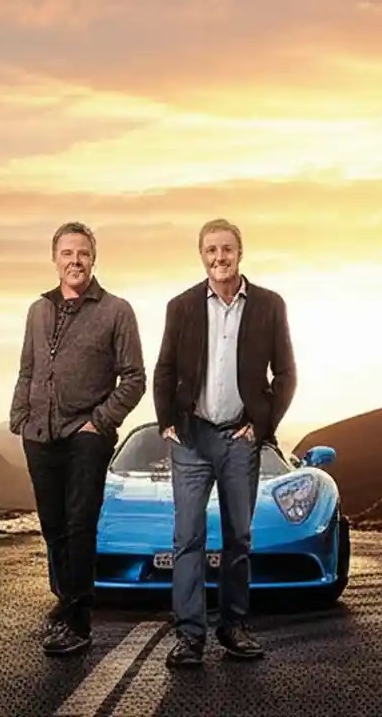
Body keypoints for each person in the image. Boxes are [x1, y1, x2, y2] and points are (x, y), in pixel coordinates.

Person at [152, 218, 297, 667]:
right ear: (202, 256)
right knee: (187, 539)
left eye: (227, 249)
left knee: (239, 537)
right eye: (211, 250)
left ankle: (233, 627)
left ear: (240, 253)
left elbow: (286, 373)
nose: (220, 257)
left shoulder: (270, 305)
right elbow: (165, 368)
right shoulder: (181, 306)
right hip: (191, 438)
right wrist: (165, 423)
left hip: (239, 438)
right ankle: (190, 637)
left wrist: (261, 424)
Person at [9, 221, 147, 656]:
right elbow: (27, 368)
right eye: (67, 254)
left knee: (79, 522)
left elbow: (135, 378)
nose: (75, 261)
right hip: (39, 433)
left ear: (94, 258)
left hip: (86, 433)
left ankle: (79, 621)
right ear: (55, 260)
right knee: (52, 525)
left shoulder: (115, 310)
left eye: (82, 253)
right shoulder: (38, 309)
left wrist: (100, 421)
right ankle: (66, 600)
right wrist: (20, 417)